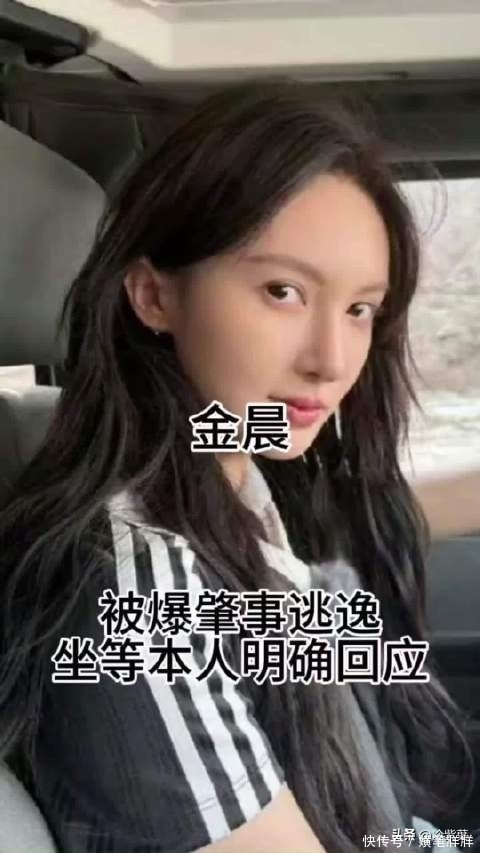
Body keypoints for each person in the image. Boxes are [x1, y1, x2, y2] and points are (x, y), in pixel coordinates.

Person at [0, 79, 474, 853]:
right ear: (154, 296)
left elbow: (372, 503)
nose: (331, 360)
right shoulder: (142, 580)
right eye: (283, 291)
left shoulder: (223, 456)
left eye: (359, 308)